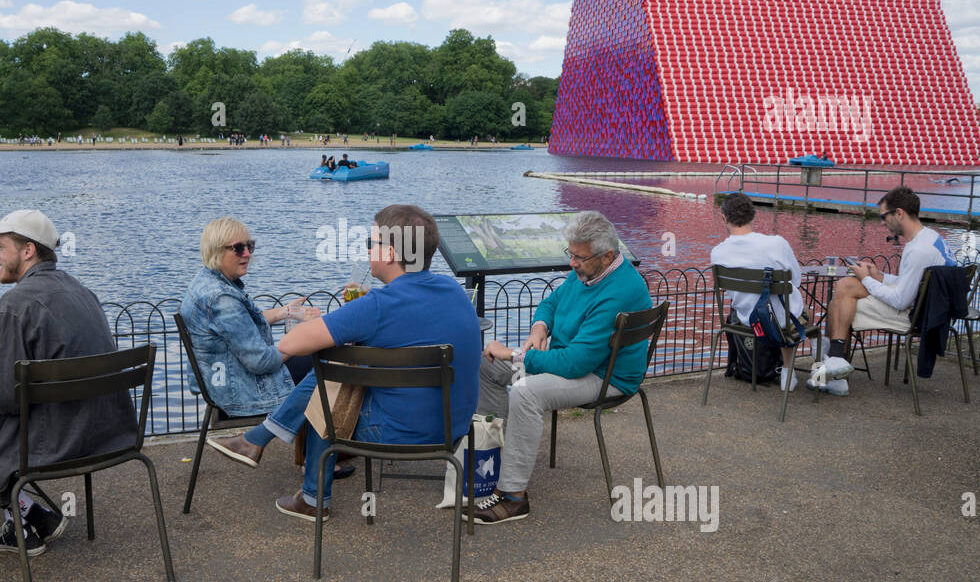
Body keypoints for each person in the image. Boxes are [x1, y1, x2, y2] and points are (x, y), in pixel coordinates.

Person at [214, 205, 480, 521]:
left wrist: (357, 314)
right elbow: (410, 317)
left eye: (372, 243)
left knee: (324, 397)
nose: (367, 250)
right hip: (453, 429)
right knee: (332, 378)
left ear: (391, 252)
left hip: (400, 433)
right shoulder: (453, 290)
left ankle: (306, 491)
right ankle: (260, 441)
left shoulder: (379, 305)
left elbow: (291, 344)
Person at [0, 210, 133, 555]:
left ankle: (25, 517)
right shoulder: (81, 290)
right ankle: (33, 516)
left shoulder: (15, 304)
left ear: (27, 251)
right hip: (108, 430)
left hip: (57, 440)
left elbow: (6, 402)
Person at [474, 211, 653, 525]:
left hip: (604, 377)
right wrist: (538, 329)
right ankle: (497, 455)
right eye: (570, 254)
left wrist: (513, 355)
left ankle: (514, 495)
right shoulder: (590, 269)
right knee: (483, 365)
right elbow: (552, 303)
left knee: (525, 391)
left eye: (578, 258)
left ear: (608, 254)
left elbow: (573, 364)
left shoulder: (618, 291)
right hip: (578, 363)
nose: (572, 263)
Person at [179, 217, 319, 466]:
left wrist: (286, 312)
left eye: (250, 246)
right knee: (326, 367)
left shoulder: (206, 282)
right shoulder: (222, 297)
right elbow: (261, 361)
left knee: (316, 364)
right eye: (238, 248)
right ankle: (318, 460)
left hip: (219, 378)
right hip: (237, 388)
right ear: (216, 250)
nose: (247, 254)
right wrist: (302, 336)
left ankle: (311, 455)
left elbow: (240, 325)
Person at [809, 185, 952, 396]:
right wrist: (880, 277)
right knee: (844, 293)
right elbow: (908, 282)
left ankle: (832, 367)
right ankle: (834, 363)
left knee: (841, 299)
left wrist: (866, 279)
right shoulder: (931, 237)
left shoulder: (918, 250)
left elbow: (900, 300)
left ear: (899, 213)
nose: (883, 223)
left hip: (917, 316)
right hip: (932, 307)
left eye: (884, 217)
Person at [709, 192, 805, 391]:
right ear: (753, 215)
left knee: (782, 311)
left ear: (724, 218)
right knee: (798, 313)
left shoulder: (717, 252)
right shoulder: (777, 243)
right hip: (780, 322)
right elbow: (796, 281)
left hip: (746, 319)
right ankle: (790, 369)